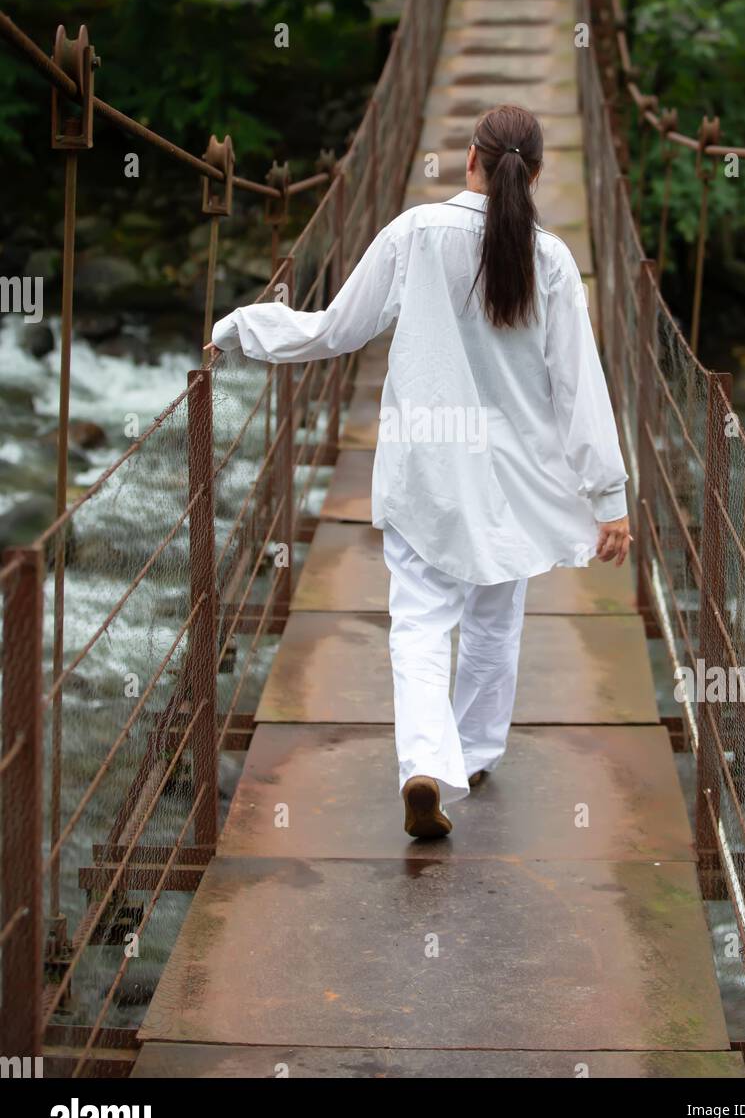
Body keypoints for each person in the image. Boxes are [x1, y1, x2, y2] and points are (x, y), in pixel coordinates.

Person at [211, 103, 631, 841]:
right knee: (496, 622)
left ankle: (422, 764)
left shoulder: (414, 233)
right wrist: (610, 499)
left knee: (419, 622)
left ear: (471, 157)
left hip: (425, 470)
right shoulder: (555, 260)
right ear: (534, 176)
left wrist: (241, 328)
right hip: (514, 483)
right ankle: (470, 757)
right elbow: (579, 386)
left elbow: (335, 329)